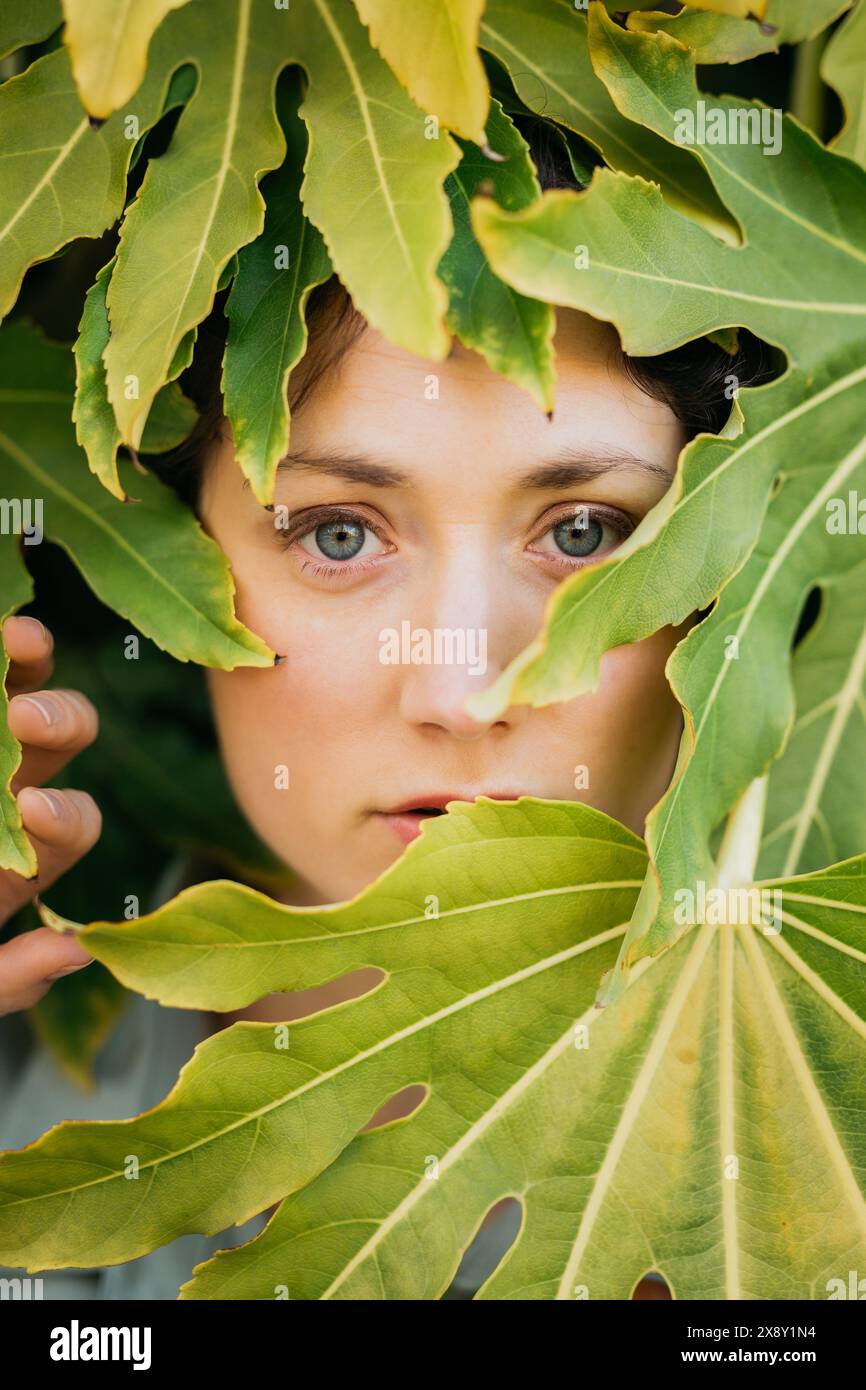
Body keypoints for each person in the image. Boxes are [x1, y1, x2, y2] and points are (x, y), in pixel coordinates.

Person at [0, 117, 775, 1299]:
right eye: (338, 533)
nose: (462, 692)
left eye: (585, 534)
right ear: (166, 558)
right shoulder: (44, 1048)